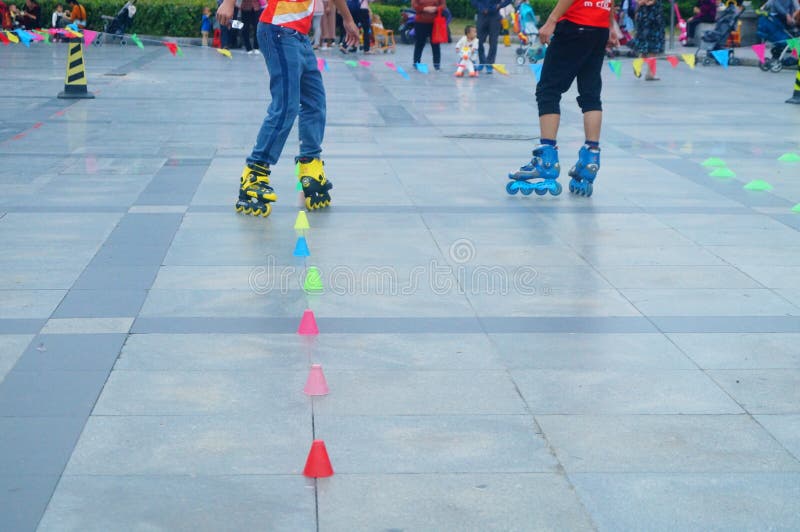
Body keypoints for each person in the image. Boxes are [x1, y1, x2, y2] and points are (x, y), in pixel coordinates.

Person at [216, 0, 359, 217]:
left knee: (314, 103)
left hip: (300, 36)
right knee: (285, 106)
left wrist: (348, 19)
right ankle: (255, 171)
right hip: (278, 30)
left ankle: (310, 164)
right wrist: (228, 3)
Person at [506, 0, 618, 198]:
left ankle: (546, 161)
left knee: (548, 90)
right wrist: (610, 25)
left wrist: (551, 20)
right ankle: (590, 159)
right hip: (598, 27)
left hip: (575, 25)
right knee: (590, 95)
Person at [471, 0, 511, 74]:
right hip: (482, 16)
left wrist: (499, 5)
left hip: (495, 17)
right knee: (478, 41)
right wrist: (481, 8)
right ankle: (482, 61)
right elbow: (473, 1)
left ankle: (490, 64)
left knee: (493, 41)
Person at [633, 0, 663, 80]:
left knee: (645, 44)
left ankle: (638, 64)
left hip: (643, 14)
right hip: (652, 15)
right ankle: (650, 73)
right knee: (653, 46)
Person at [412, 0, 446, 70]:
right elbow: (414, 5)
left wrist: (436, 9)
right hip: (420, 22)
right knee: (419, 43)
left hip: (435, 23)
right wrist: (424, 9)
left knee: (435, 44)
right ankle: (416, 62)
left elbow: (443, 5)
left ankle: (437, 64)